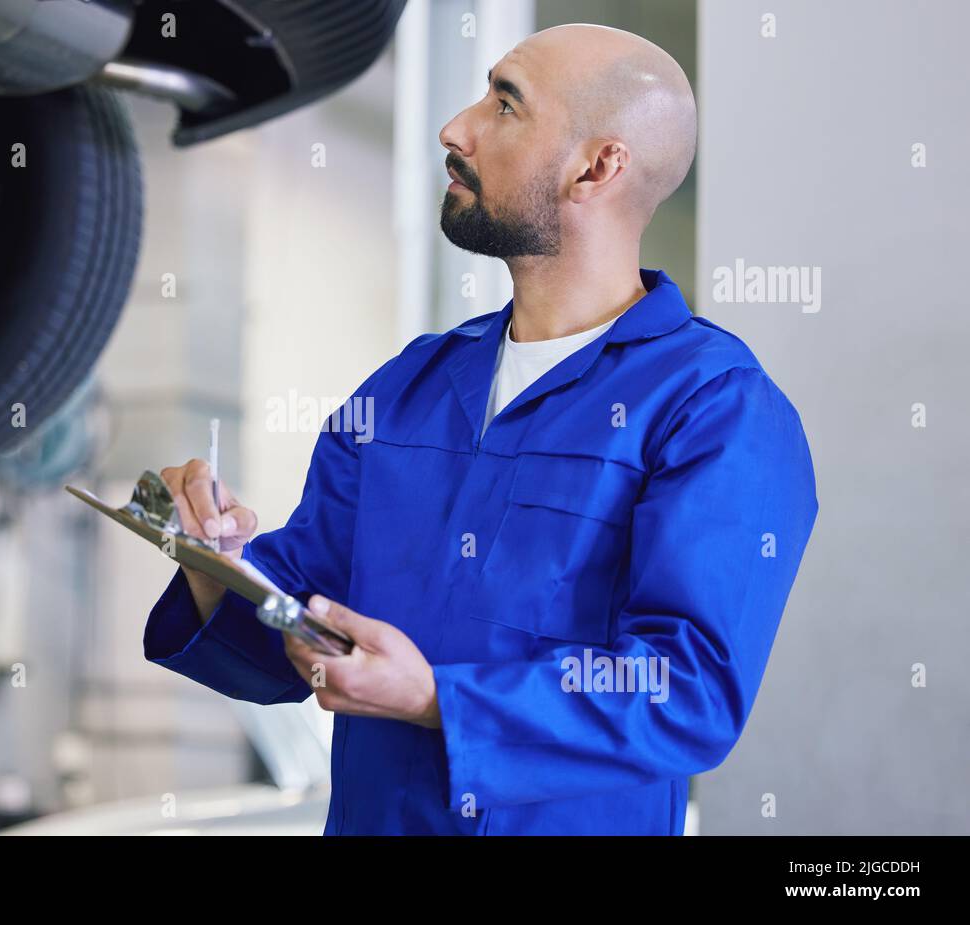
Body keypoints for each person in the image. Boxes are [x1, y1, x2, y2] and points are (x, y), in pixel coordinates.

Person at [142, 24, 818, 835]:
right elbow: (297, 625)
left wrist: (435, 698)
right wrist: (217, 564)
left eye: (504, 105)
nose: (454, 128)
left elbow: (687, 692)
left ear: (597, 166)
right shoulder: (408, 388)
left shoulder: (714, 408)